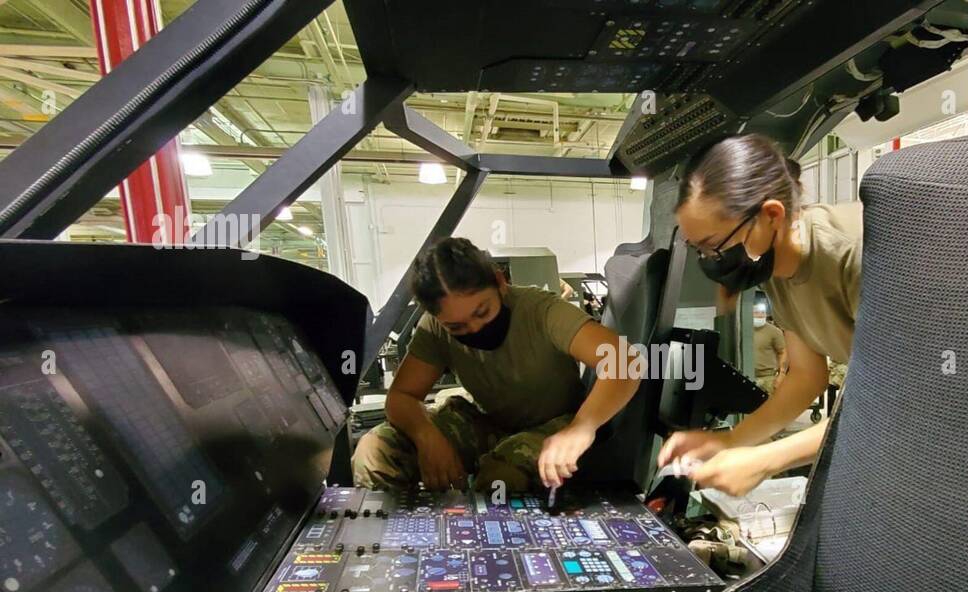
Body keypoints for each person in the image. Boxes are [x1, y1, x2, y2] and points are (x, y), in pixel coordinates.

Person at [353, 237, 640, 492]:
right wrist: (426, 436)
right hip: (489, 423)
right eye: (458, 327)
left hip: (555, 425)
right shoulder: (435, 329)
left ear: (500, 282)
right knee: (376, 452)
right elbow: (402, 396)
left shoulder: (541, 310)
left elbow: (623, 361)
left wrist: (581, 427)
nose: (476, 328)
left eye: (482, 312)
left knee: (499, 479)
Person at [661, 133, 861, 496]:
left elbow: (901, 404)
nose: (710, 262)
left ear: (771, 215)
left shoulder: (855, 253)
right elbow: (805, 376)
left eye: (714, 247)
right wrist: (731, 441)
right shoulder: (773, 266)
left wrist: (765, 460)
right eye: (699, 251)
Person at [752, 301, 787, 395]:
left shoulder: (774, 332)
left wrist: (781, 374)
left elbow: (783, 352)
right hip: (747, 376)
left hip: (768, 378)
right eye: (756, 312)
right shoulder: (742, 330)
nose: (760, 315)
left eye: (762, 312)